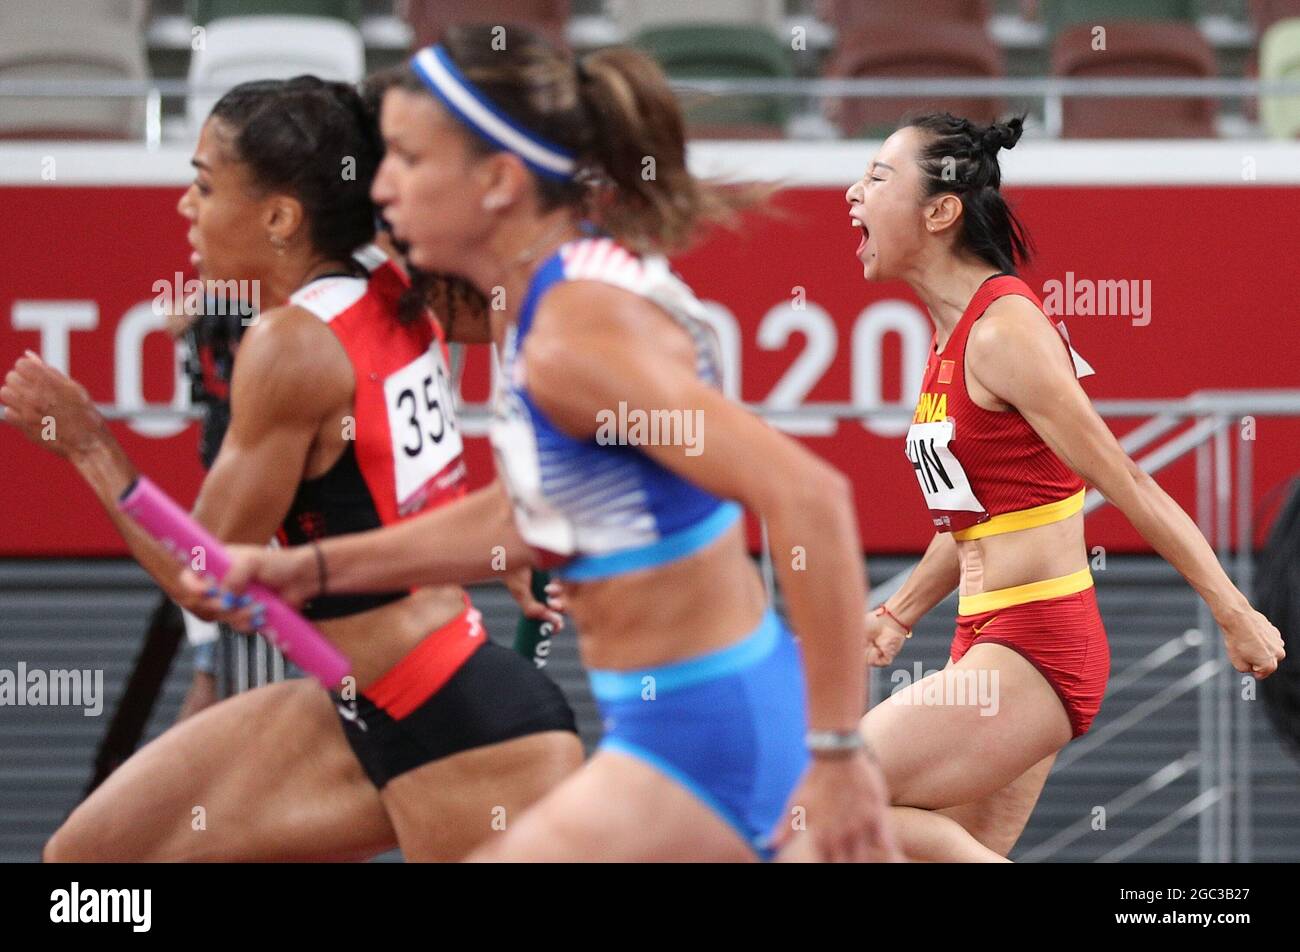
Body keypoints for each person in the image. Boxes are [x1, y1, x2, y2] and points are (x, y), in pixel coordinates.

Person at [188, 27, 899, 862]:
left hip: (711, 743)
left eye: (410, 161)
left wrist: (840, 753)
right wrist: (309, 570)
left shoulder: (572, 338)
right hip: (680, 735)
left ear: (497, 181)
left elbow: (811, 495)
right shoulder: (535, 310)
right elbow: (527, 516)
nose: (380, 186)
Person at [2, 75, 582, 862]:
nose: (186, 208)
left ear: (278, 217)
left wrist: (86, 444)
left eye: (204, 186)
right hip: (355, 706)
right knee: (91, 866)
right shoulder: (398, 284)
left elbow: (197, 570)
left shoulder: (292, 346)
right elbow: (524, 306)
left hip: (454, 724)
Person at [845, 112, 1286, 860]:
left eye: (878, 178)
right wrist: (898, 613)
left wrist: (1233, 609)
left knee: (823, 795)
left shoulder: (1005, 330)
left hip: (1034, 646)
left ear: (942, 210)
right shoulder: (957, 336)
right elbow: (978, 519)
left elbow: (1127, 480)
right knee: (938, 846)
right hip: (986, 640)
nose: (852, 194)